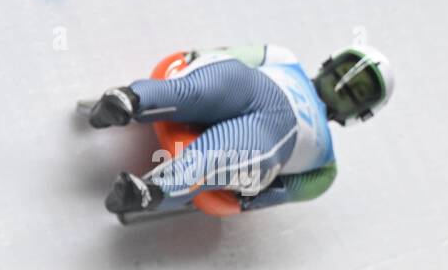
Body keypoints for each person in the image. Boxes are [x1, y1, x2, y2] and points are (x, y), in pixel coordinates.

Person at [84, 44, 394, 222]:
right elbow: (231, 56)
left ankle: (151, 191)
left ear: (359, 112)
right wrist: (196, 58)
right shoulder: (284, 58)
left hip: (278, 135)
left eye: (353, 94)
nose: (340, 87)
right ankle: (130, 101)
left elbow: (278, 193)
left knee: (221, 155)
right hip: (253, 86)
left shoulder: (325, 165)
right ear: (330, 64)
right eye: (342, 74)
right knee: (199, 87)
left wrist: (244, 198)